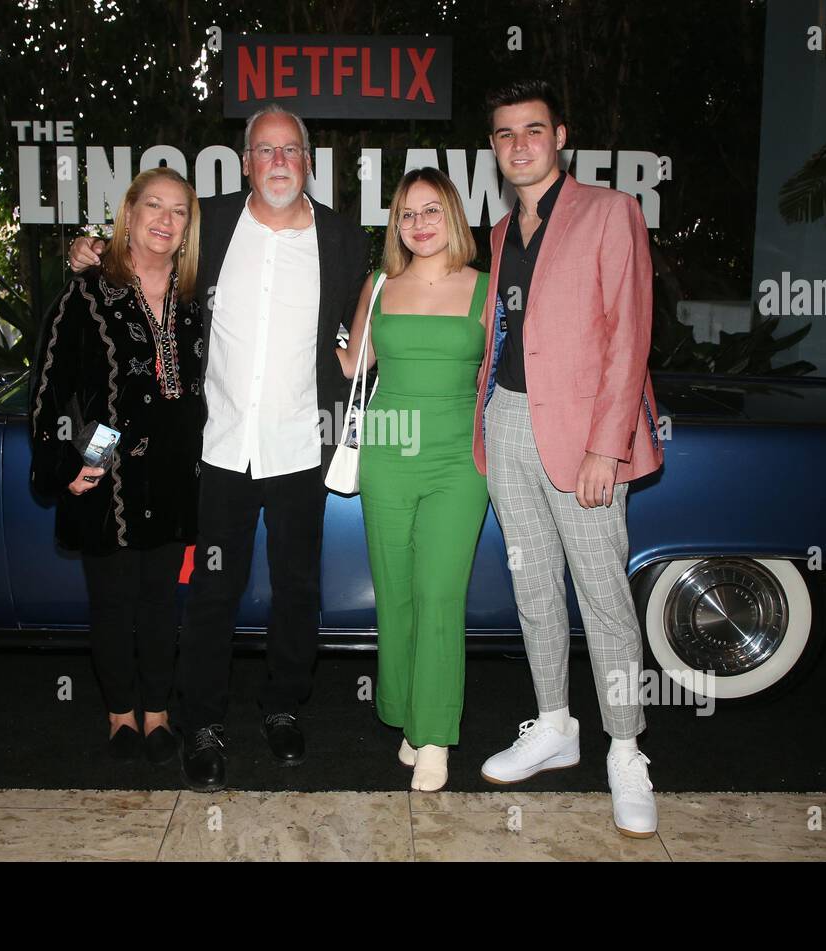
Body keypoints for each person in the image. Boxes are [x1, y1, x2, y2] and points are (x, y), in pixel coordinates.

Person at [69, 105, 369, 791]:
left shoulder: (344, 239)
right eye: (265, 151)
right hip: (219, 446)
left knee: (298, 589)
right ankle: (200, 719)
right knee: (212, 590)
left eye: (290, 150)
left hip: (300, 447)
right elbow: (137, 269)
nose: (279, 162)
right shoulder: (214, 225)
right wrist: (88, 255)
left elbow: (361, 327)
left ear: (309, 162)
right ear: (245, 164)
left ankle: (284, 706)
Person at [471, 80, 666, 837]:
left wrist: (604, 447)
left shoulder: (610, 213)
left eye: (532, 130)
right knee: (532, 590)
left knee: (605, 600)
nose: (518, 144)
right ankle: (555, 723)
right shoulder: (497, 233)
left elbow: (630, 336)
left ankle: (625, 750)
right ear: (493, 148)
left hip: (585, 438)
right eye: (503, 134)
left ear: (561, 137)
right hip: (507, 426)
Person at [30, 167, 204, 765]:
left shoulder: (193, 302)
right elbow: (53, 391)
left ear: (188, 227)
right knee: (112, 603)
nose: (164, 218)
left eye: (178, 210)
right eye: (152, 205)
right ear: (128, 215)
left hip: (176, 476)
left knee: (161, 602)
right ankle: (120, 716)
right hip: (108, 474)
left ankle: (158, 714)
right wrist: (68, 464)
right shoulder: (84, 295)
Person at [338, 168, 489, 793]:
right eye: (406, 213)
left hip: (459, 460)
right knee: (394, 595)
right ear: (395, 224)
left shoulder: (488, 286)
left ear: (452, 216)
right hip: (387, 451)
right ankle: (405, 715)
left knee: (439, 595)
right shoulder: (379, 285)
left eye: (431, 211)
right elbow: (354, 363)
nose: (419, 223)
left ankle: (434, 737)